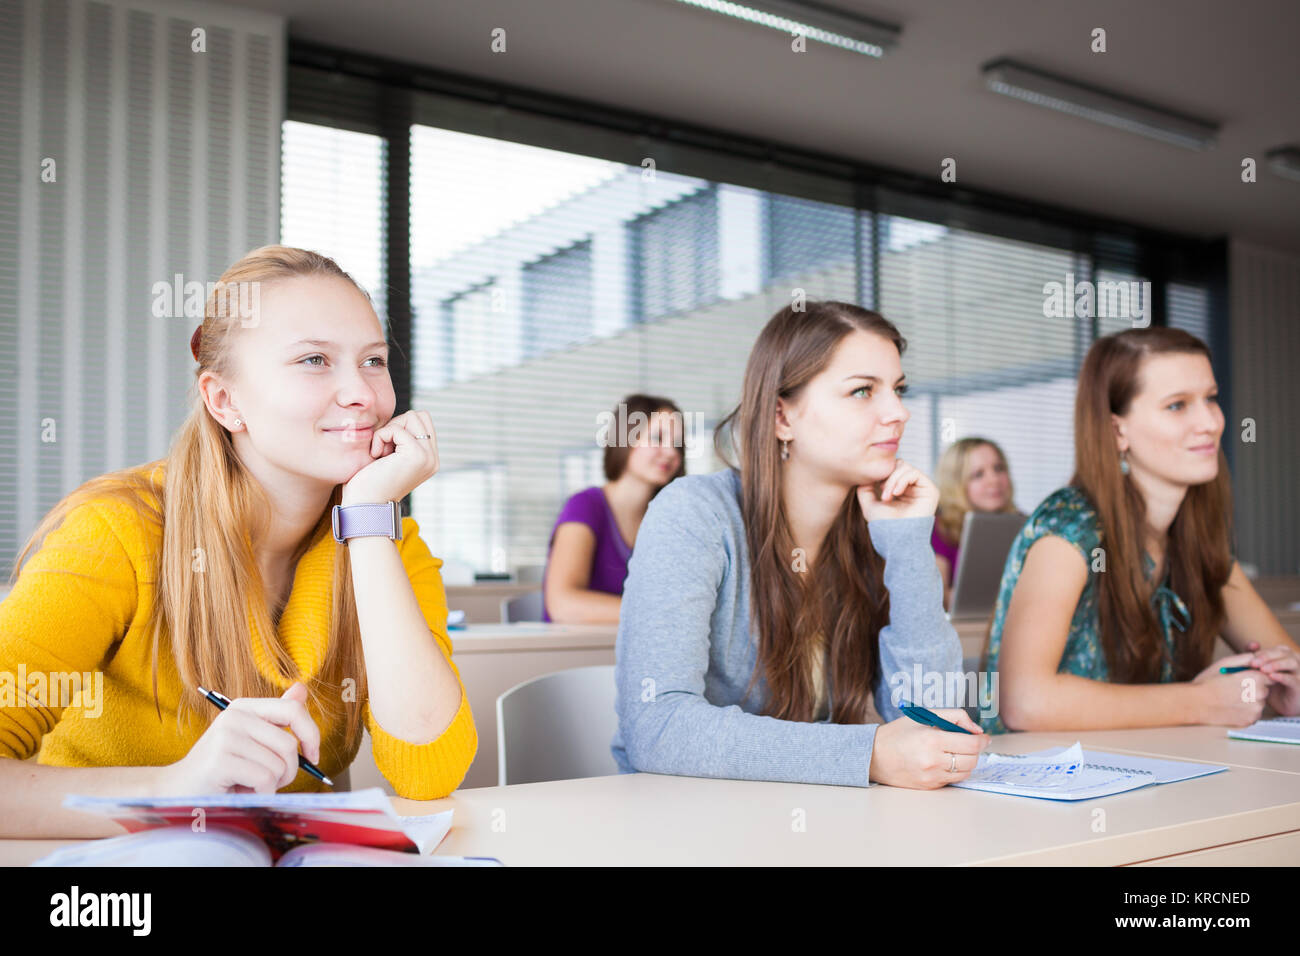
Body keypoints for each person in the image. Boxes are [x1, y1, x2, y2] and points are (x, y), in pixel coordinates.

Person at [0, 246, 477, 839]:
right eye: (313, 360)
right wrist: (174, 789)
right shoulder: (116, 533)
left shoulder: (386, 539)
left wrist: (370, 522)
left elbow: (429, 771)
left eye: (373, 360)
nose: (362, 393)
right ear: (224, 400)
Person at [613, 300, 987, 789]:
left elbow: (934, 719)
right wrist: (867, 753)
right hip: (691, 825)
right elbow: (657, 727)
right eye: (862, 391)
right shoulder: (694, 513)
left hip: (827, 818)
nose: (899, 413)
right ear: (781, 418)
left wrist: (908, 544)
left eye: (898, 390)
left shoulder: (875, 528)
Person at [982, 327, 1300, 733]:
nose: (1210, 423)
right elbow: (1024, 702)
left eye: (1211, 399)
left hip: (1155, 775)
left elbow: (1285, 660)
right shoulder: (1069, 527)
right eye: (1177, 406)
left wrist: (1288, 686)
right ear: (1118, 431)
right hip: (1037, 785)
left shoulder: (1196, 536)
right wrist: (1200, 702)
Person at [542, 394, 685, 624]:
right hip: (576, 651)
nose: (671, 452)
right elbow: (563, 604)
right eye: (658, 438)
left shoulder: (668, 519)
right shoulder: (585, 506)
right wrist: (659, 614)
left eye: (677, 444)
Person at [932, 437, 1020, 609]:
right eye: (978, 474)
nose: (994, 480)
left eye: (999, 468)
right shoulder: (940, 528)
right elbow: (939, 598)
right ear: (956, 483)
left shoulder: (1024, 524)